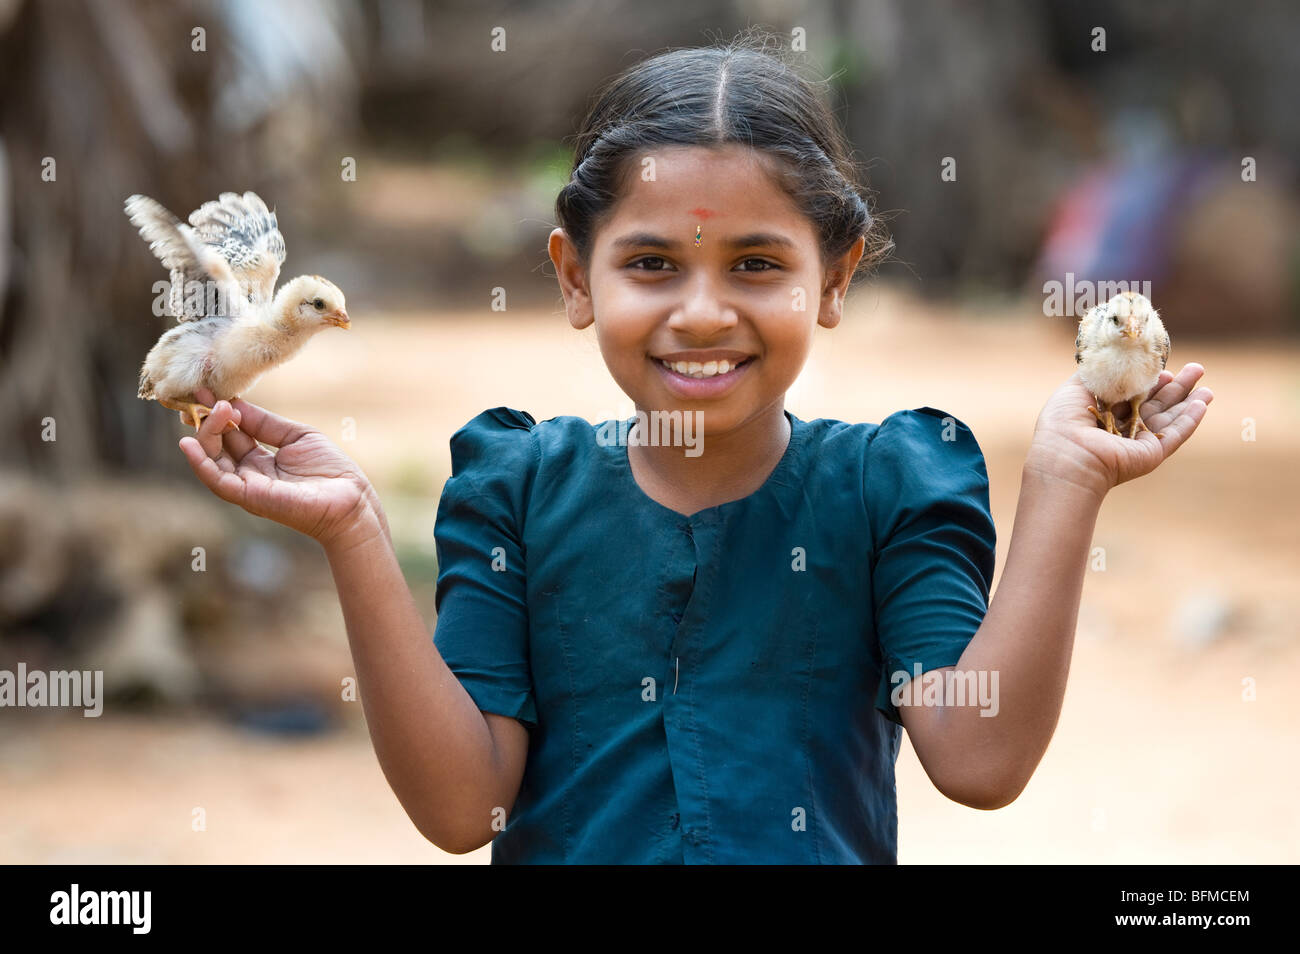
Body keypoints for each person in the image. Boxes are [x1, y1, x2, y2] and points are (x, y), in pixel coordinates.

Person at [177, 33, 1214, 863]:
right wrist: (356, 528)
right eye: (653, 263)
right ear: (576, 279)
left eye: (757, 263)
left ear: (837, 278)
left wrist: (1066, 479)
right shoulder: (515, 493)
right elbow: (460, 810)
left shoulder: (890, 488)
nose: (703, 312)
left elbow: (978, 758)